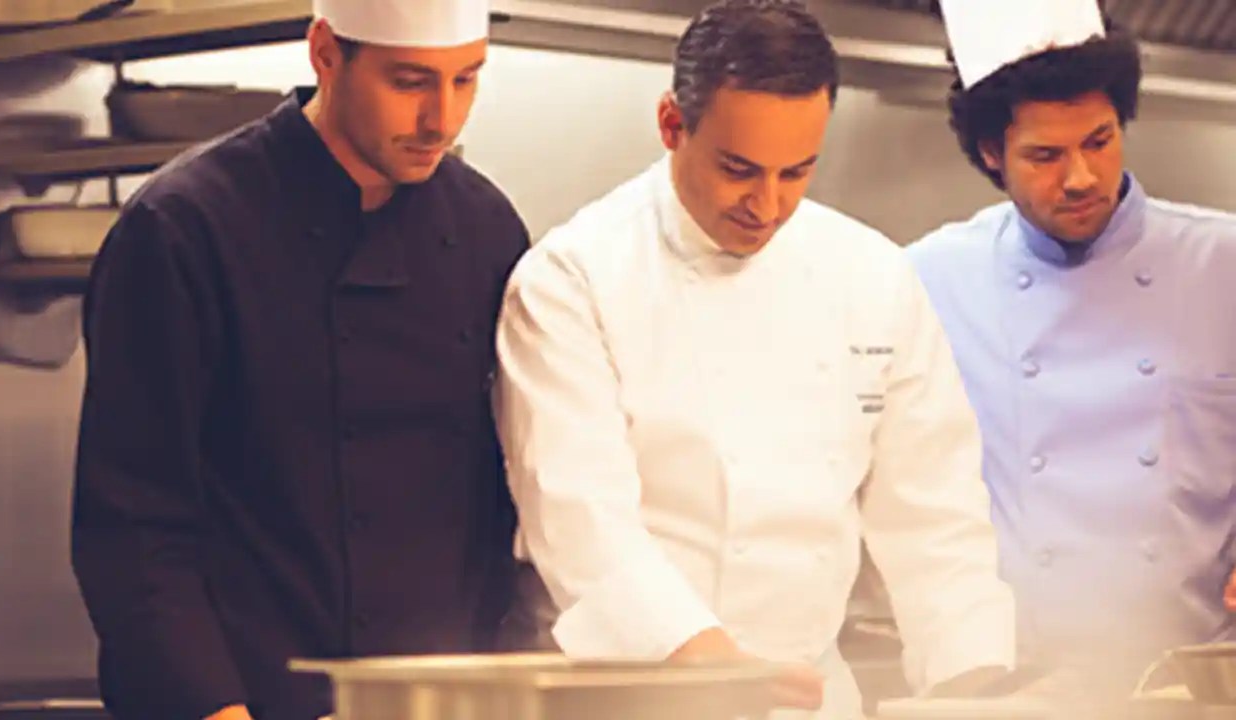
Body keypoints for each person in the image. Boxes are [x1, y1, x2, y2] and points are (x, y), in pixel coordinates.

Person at [492, 1, 1017, 717]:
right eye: (738, 169)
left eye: (797, 172)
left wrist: (972, 681)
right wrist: (709, 662)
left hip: (808, 697)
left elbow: (933, 510)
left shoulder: (872, 274)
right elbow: (583, 525)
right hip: (632, 693)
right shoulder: (572, 278)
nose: (767, 206)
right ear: (673, 125)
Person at [70, 2, 529, 719]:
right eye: (410, 82)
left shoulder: (486, 229)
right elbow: (134, 522)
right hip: (239, 698)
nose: (442, 118)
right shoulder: (183, 229)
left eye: (467, 80)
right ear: (324, 53)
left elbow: (500, 503)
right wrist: (216, 709)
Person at [907, 0, 1236, 689]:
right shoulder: (930, 280)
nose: (1083, 176)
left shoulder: (1224, 262)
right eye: (1045, 155)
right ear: (992, 154)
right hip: (1019, 688)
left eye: (1100, 139)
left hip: (1197, 680)